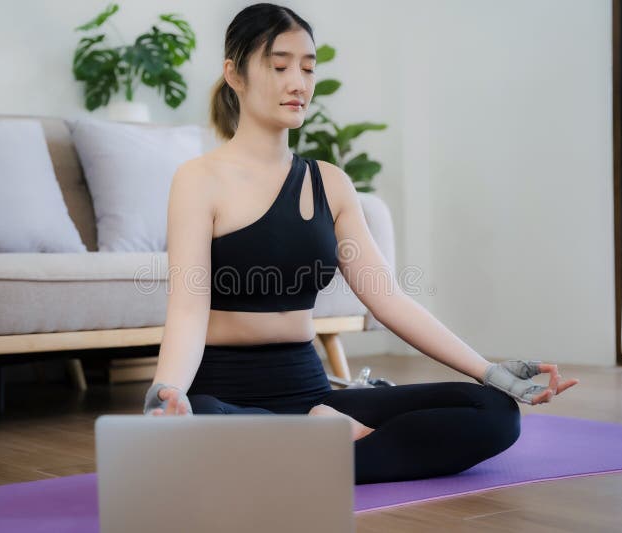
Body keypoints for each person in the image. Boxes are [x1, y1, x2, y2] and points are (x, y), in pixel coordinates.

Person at [143, 2, 579, 485]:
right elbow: (186, 309)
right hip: (224, 396)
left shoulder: (330, 183)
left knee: (493, 412)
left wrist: (488, 371)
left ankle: (305, 447)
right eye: (280, 65)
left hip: (310, 392)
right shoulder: (199, 180)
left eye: (308, 68)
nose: (298, 83)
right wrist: (168, 391)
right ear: (235, 74)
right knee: (200, 422)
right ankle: (321, 445)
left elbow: (388, 298)